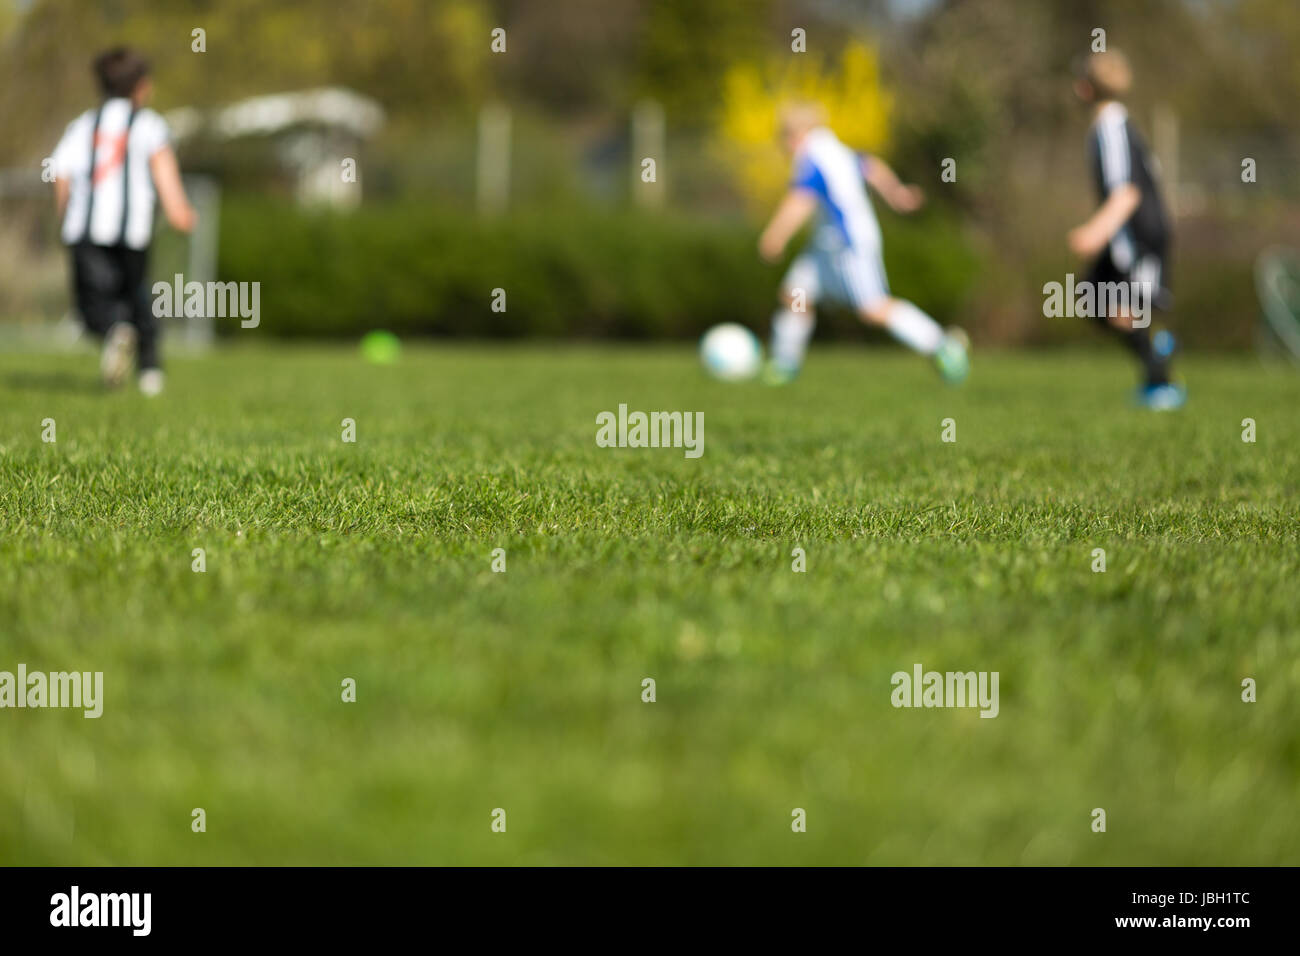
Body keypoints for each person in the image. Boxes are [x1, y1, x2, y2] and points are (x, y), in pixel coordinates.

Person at [757, 102, 968, 385]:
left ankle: (942, 344)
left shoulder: (813, 156)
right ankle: (784, 365)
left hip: (849, 244)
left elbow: (800, 200)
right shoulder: (835, 150)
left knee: (873, 309)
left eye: (784, 138)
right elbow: (871, 166)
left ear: (797, 133)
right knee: (795, 295)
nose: (783, 146)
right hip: (826, 244)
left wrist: (775, 235)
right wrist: (897, 194)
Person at [51, 46, 197, 396]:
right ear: (142, 87)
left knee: (92, 306)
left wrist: (63, 214)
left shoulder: (83, 125)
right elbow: (163, 170)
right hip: (132, 232)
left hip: (85, 231)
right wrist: (178, 208)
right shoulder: (149, 125)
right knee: (137, 297)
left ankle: (115, 332)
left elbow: (60, 173)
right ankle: (150, 370)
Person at [1068, 50, 1184, 410]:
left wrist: (1095, 231)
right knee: (1093, 300)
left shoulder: (1111, 128)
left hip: (1139, 237)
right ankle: (1157, 357)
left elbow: (1127, 191)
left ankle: (1160, 382)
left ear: (1084, 89)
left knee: (1124, 307)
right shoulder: (1117, 125)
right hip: (1129, 236)